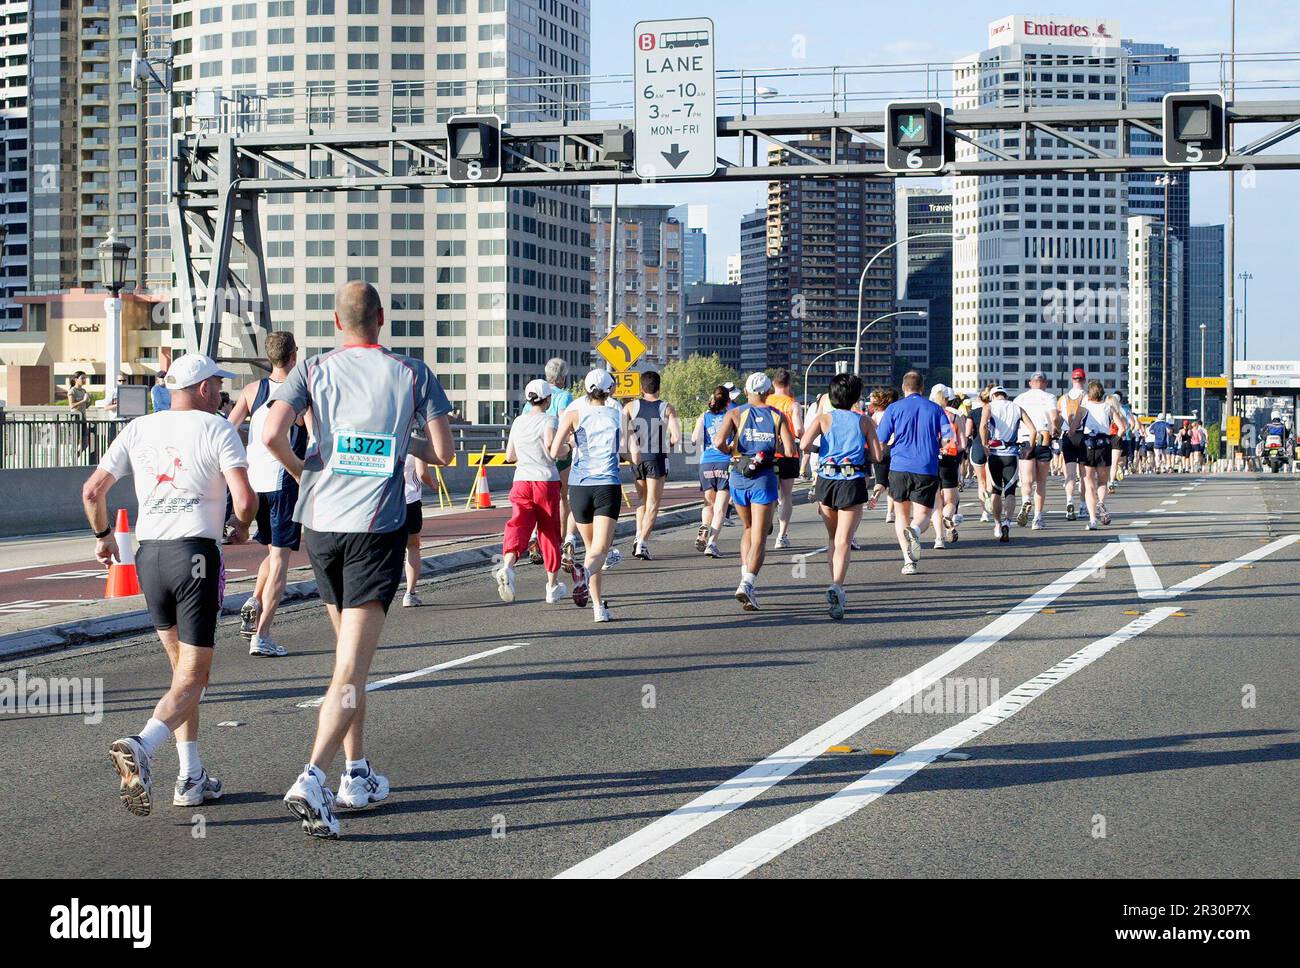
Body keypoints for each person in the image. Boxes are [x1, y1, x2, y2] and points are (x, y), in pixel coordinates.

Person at [262, 280, 454, 838]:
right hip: (376, 529)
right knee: (351, 668)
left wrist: (308, 476)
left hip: (321, 526)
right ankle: (312, 777)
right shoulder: (413, 372)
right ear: (383, 318)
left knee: (349, 665)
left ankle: (357, 772)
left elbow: (273, 432)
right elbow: (442, 453)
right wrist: (403, 443)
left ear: (337, 321)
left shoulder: (313, 369)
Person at [82, 354, 257, 818]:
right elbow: (244, 498)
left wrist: (103, 538)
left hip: (149, 558)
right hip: (194, 555)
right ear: (201, 388)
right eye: (217, 384)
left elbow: (92, 490)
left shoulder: (140, 427)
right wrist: (240, 527)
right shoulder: (217, 428)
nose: (221, 392)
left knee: (182, 673)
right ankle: (142, 744)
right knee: (195, 675)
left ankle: (191, 776)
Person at [228, 331, 307, 658]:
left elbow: (226, 429)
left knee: (273, 552)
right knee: (281, 560)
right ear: (294, 356)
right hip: (284, 482)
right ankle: (262, 635)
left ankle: (255, 600)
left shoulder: (251, 390)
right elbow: (315, 436)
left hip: (252, 482)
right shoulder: (300, 393)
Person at [550, 369, 634, 622]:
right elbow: (630, 452)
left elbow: (556, 450)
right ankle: (585, 575)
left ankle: (599, 607)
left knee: (590, 548)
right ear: (611, 390)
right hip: (606, 484)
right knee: (600, 550)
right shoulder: (619, 414)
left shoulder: (572, 413)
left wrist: (572, 445)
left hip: (579, 486)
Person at [800, 372, 882, 619]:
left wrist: (821, 448)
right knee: (844, 540)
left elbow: (804, 445)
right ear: (856, 397)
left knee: (832, 539)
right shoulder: (865, 421)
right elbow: (877, 456)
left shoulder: (823, 418)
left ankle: (834, 583)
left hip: (826, 481)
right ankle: (837, 585)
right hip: (852, 481)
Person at [712, 372, 796, 609]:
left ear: (747, 391)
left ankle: (744, 578)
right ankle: (747, 583)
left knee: (748, 528)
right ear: (768, 393)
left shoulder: (736, 413)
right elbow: (790, 450)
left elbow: (718, 442)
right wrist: (774, 444)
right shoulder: (777, 415)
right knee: (760, 535)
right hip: (764, 477)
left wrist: (733, 451)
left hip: (739, 475)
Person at [497, 378, 566, 605]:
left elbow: (509, 456)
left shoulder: (518, 421)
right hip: (545, 481)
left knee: (519, 524)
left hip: (521, 481)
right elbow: (551, 447)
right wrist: (566, 447)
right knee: (549, 532)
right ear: (548, 399)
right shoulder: (550, 419)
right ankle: (552, 586)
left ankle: (507, 566)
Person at [875, 371, 952, 576]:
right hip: (926, 466)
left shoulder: (893, 408)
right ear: (922, 388)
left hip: (899, 466)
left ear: (903, 387)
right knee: (923, 514)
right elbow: (948, 438)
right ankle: (916, 530)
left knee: (901, 514)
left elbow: (881, 440)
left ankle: (908, 560)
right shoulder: (936, 409)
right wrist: (941, 446)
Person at [625, 370, 680, 560]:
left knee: (642, 501)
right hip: (656, 457)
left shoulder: (630, 407)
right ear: (659, 387)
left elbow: (623, 431)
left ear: (641, 388)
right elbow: (676, 437)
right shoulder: (667, 408)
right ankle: (642, 542)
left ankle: (637, 535)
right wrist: (669, 444)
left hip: (637, 458)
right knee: (653, 505)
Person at [1067, 379, 1126, 530]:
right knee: (1102, 482)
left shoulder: (1084, 408)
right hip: (1104, 445)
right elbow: (1122, 428)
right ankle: (1101, 503)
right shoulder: (1109, 407)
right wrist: (1114, 439)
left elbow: (1073, 428)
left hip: (1087, 445)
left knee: (1088, 484)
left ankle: (1092, 520)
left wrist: (1070, 433)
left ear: (1089, 393)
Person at [542, 358, 578, 569]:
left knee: (543, 498)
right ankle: (562, 537)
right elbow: (566, 421)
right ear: (563, 377)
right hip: (560, 452)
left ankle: (540, 536)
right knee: (563, 497)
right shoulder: (564, 396)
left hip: (538, 453)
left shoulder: (535, 395)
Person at [1014, 371, 1060, 530]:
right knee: (1041, 481)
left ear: (1030, 383)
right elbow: (1054, 417)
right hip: (1043, 438)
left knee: (1026, 479)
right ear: (1045, 383)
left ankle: (1026, 499)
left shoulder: (1020, 398)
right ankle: (1037, 518)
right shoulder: (1049, 397)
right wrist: (1056, 428)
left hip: (1025, 439)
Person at [979, 386, 1026, 542]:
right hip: (1011, 454)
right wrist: (1029, 447)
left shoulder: (989, 406)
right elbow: (1032, 430)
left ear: (993, 396)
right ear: (1006, 395)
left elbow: (983, 425)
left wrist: (985, 444)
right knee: (1011, 491)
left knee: (996, 491)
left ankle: (998, 523)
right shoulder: (1017, 407)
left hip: (995, 453)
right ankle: (1008, 522)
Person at [691, 385, 733, 558]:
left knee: (708, 503)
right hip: (724, 462)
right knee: (720, 509)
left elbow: (694, 439)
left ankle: (704, 526)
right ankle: (712, 543)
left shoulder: (704, 416)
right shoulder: (732, 416)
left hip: (706, 463)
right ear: (728, 401)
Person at [766, 367, 804, 550]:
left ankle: (767, 519)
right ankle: (781, 536)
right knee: (786, 496)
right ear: (789, 384)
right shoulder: (793, 405)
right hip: (788, 453)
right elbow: (798, 430)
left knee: (770, 493)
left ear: (774, 384)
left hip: (768, 452)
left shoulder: (766, 402)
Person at [929, 384, 967, 549]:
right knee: (951, 500)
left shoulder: (928, 414)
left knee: (936, 502)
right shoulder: (954, 416)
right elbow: (963, 444)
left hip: (931, 460)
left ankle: (939, 538)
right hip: (949, 460)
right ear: (947, 399)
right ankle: (947, 517)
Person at [400, 449, 434, 607]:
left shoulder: (382, 435)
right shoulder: (415, 444)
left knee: (384, 549)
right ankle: (409, 594)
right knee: (412, 546)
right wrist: (433, 484)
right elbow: (422, 474)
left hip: (385, 502)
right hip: (410, 501)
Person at [1057, 367, 1088, 517]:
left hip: (1067, 436)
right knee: (1084, 475)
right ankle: (1082, 506)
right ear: (1084, 379)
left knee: (1069, 474)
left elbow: (1057, 418)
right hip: (1083, 436)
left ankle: (1069, 501)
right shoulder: (1087, 397)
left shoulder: (1063, 398)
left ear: (1072, 380)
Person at [967, 386, 992, 522]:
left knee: (981, 482)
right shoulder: (994, 411)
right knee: (990, 481)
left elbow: (967, 432)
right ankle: (992, 506)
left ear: (979, 399)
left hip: (977, 447)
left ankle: (984, 513)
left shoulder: (973, 413)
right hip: (992, 448)